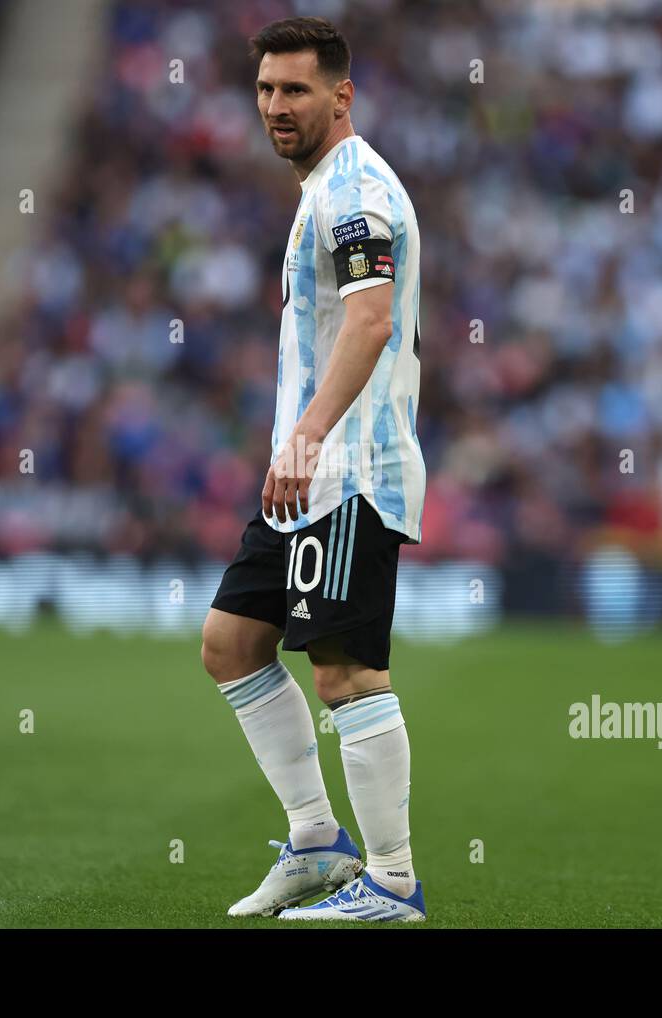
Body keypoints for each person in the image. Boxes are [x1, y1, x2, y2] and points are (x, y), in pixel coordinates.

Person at [200, 15, 427, 922]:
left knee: (344, 672)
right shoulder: (322, 187)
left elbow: (370, 321)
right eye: (264, 89)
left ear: (342, 95)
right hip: (307, 471)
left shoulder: (357, 188)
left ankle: (394, 881)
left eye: (295, 90)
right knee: (232, 644)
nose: (275, 106)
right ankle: (314, 841)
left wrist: (305, 437)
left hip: (350, 469)